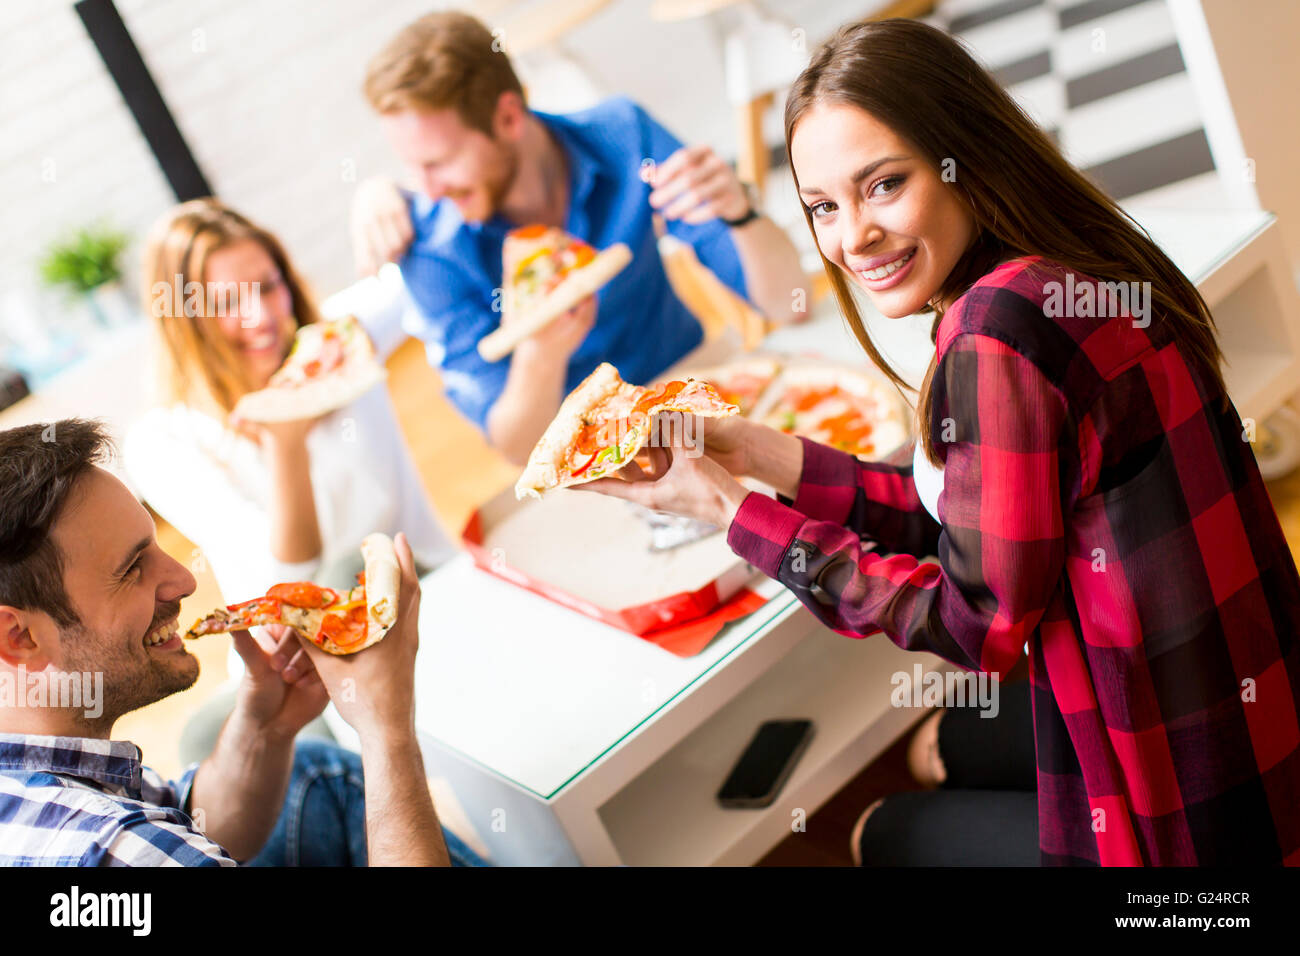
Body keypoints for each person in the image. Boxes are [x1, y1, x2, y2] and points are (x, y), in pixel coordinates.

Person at [579, 19, 1300, 866]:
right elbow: (986, 532)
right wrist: (765, 457)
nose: (851, 239)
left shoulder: (996, 338)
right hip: (1255, 714)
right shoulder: (1076, 261)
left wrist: (733, 512)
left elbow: (976, 626)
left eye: (884, 185)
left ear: (965, 156)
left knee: (877, 830)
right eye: (822, 206)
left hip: (1180, 823)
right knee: (935, 747)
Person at [0, 420, 483, 866]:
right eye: (131, 570)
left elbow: (198, 822)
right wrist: (388, 731)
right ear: (19, 637)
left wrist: (266, 727)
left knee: (314, 772)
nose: (185, 581)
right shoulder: (117, 850)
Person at [352, 10, 811, 464]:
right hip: (590, 462)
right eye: (411, 167)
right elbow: (516, 448)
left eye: (438, 162)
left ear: (509, 117)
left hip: (700, 402)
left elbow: (790, 305)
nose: (426, 188)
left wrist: (741, 213)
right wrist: (539, 354)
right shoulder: (430, 253)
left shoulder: (624, 134)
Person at [125, 198, 458, 609]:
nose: (261, 316)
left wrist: (387, 198)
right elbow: (289, 578)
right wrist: (286, 442)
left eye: (268, 286)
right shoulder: (162, 442)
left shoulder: (341, 344)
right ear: (184, 320)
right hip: (295, 655)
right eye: (227, 302)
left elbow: (437, 255)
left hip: (432, 590)